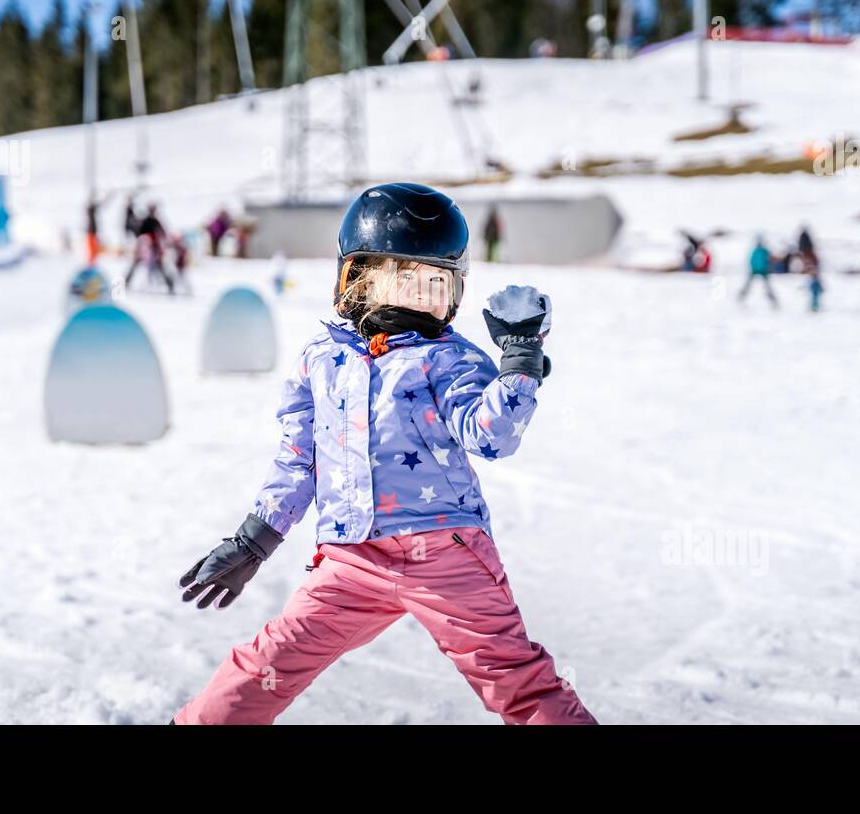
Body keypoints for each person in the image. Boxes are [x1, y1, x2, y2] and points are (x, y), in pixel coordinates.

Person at [171, 182, 597, 726]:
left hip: (446, 553)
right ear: (356, 280)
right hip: (353, 561)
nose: (419, 301)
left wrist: (519, 367)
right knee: (268, 663)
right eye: (403, 283)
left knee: (515, 678)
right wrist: (253, 542)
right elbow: (300, 462)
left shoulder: (450, 360)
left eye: (435, 286)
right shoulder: (323, 362)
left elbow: (489, 435)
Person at [125, 202, 174, 294]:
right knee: (136, 265)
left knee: (160, 267)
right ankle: (125, 283)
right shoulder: (147, 221)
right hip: (144, 247)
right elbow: (139, 234)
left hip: (152, 248)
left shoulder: (154, 221)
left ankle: (170, 285)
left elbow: (163, 233)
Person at [738, 235, 779, 308]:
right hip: (756, 270)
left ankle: (773, 300)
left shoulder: (764, 251)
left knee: (767, 286)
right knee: (748, 285)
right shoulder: (757, 251)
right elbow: (752, 260)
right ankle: (741, 296)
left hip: (763, 270)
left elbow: (769, 260)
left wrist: (768, 267)